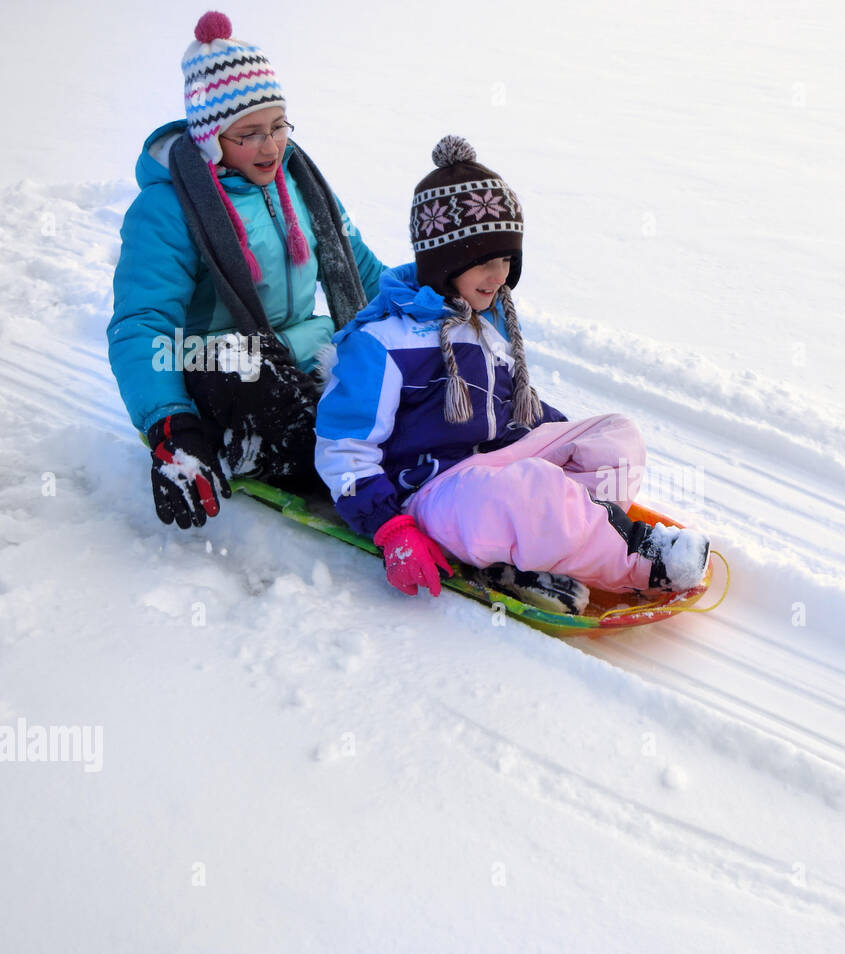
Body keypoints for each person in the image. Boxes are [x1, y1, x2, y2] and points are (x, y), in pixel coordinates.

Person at [314, 136, 709, 614]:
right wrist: (390, 528)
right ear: (444, 261)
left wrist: (561, 443)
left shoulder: (486, 319)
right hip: (430, 494)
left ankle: (561, 533)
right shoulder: (380, 343)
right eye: (483, 261)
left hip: (495, 469)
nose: (498, 275)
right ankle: (642, 563)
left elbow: (510, 403)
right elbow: (342, 452)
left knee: (615, 438)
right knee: (530, 492)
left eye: (507, 260)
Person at [107, 10, 387, 529]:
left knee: (394, 382)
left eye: (279, 126)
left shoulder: (301, 186)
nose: (272, 145)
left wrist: (437, 296)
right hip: (220, 374)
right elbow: (141, 323)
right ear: (213, 139)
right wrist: (171, 426)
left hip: (300, 357)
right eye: (251, 133)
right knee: (272, 385)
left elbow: (364, 272)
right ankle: (358, 469)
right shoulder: (168, 210)